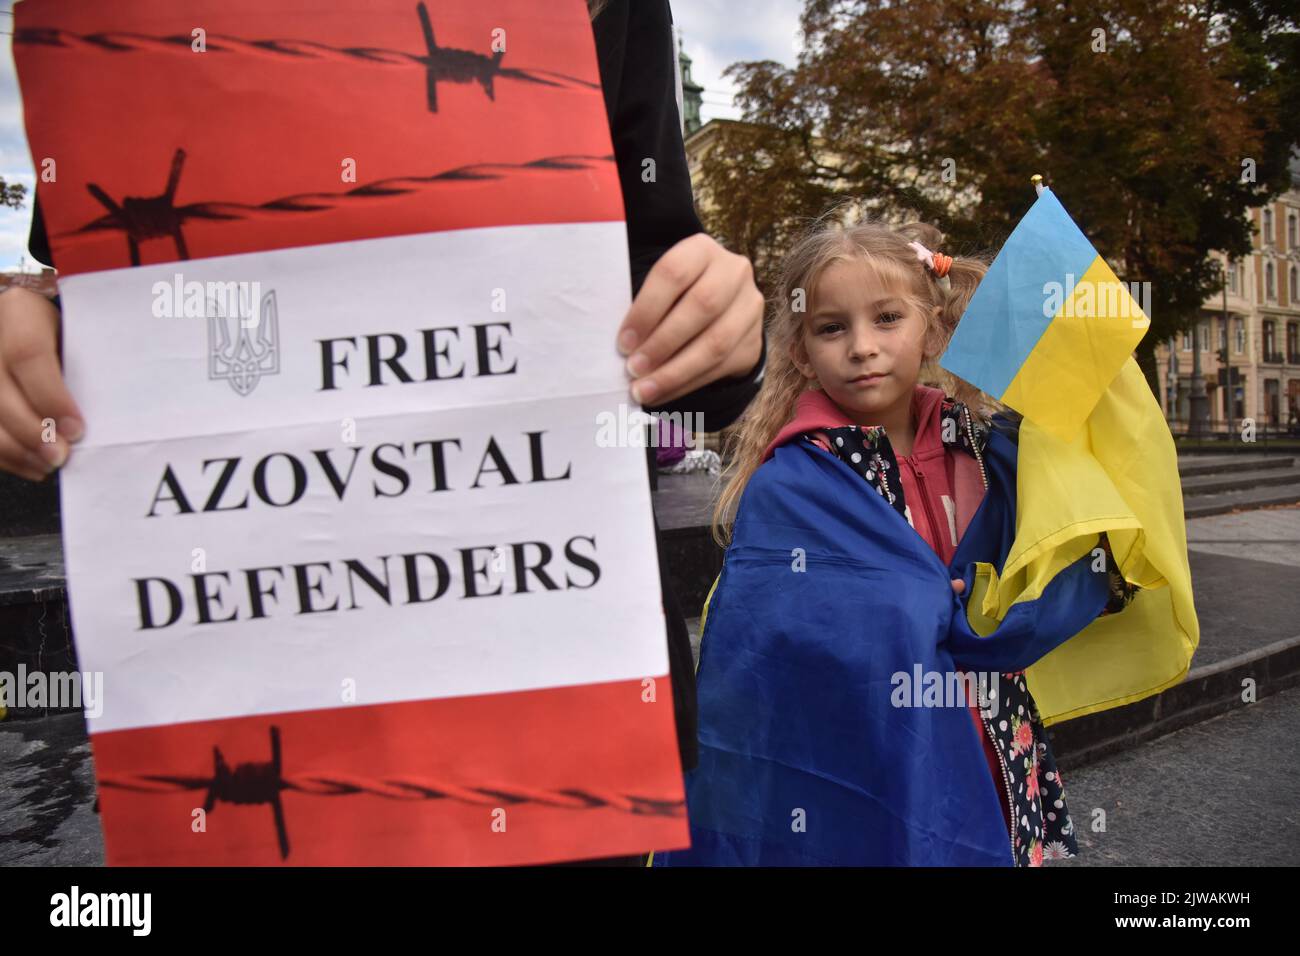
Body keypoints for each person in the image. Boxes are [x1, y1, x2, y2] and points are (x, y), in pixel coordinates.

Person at [0, 0, 765, 865]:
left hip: (542, 679)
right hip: (255, 662)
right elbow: (104, 285)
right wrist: (32, 338)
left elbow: (653, 271)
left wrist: (725, 330)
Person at [654, 214, 1138, 867]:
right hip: (868, 744)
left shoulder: (984, 446)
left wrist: (1075, 582)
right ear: (799, 350)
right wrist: (917, 602)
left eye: (887, 319)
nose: (862, 347)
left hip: (992, 732)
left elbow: (1057, 527)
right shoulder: (795, 479)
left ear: (932, 331)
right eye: (832, 327)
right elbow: (769, 641)